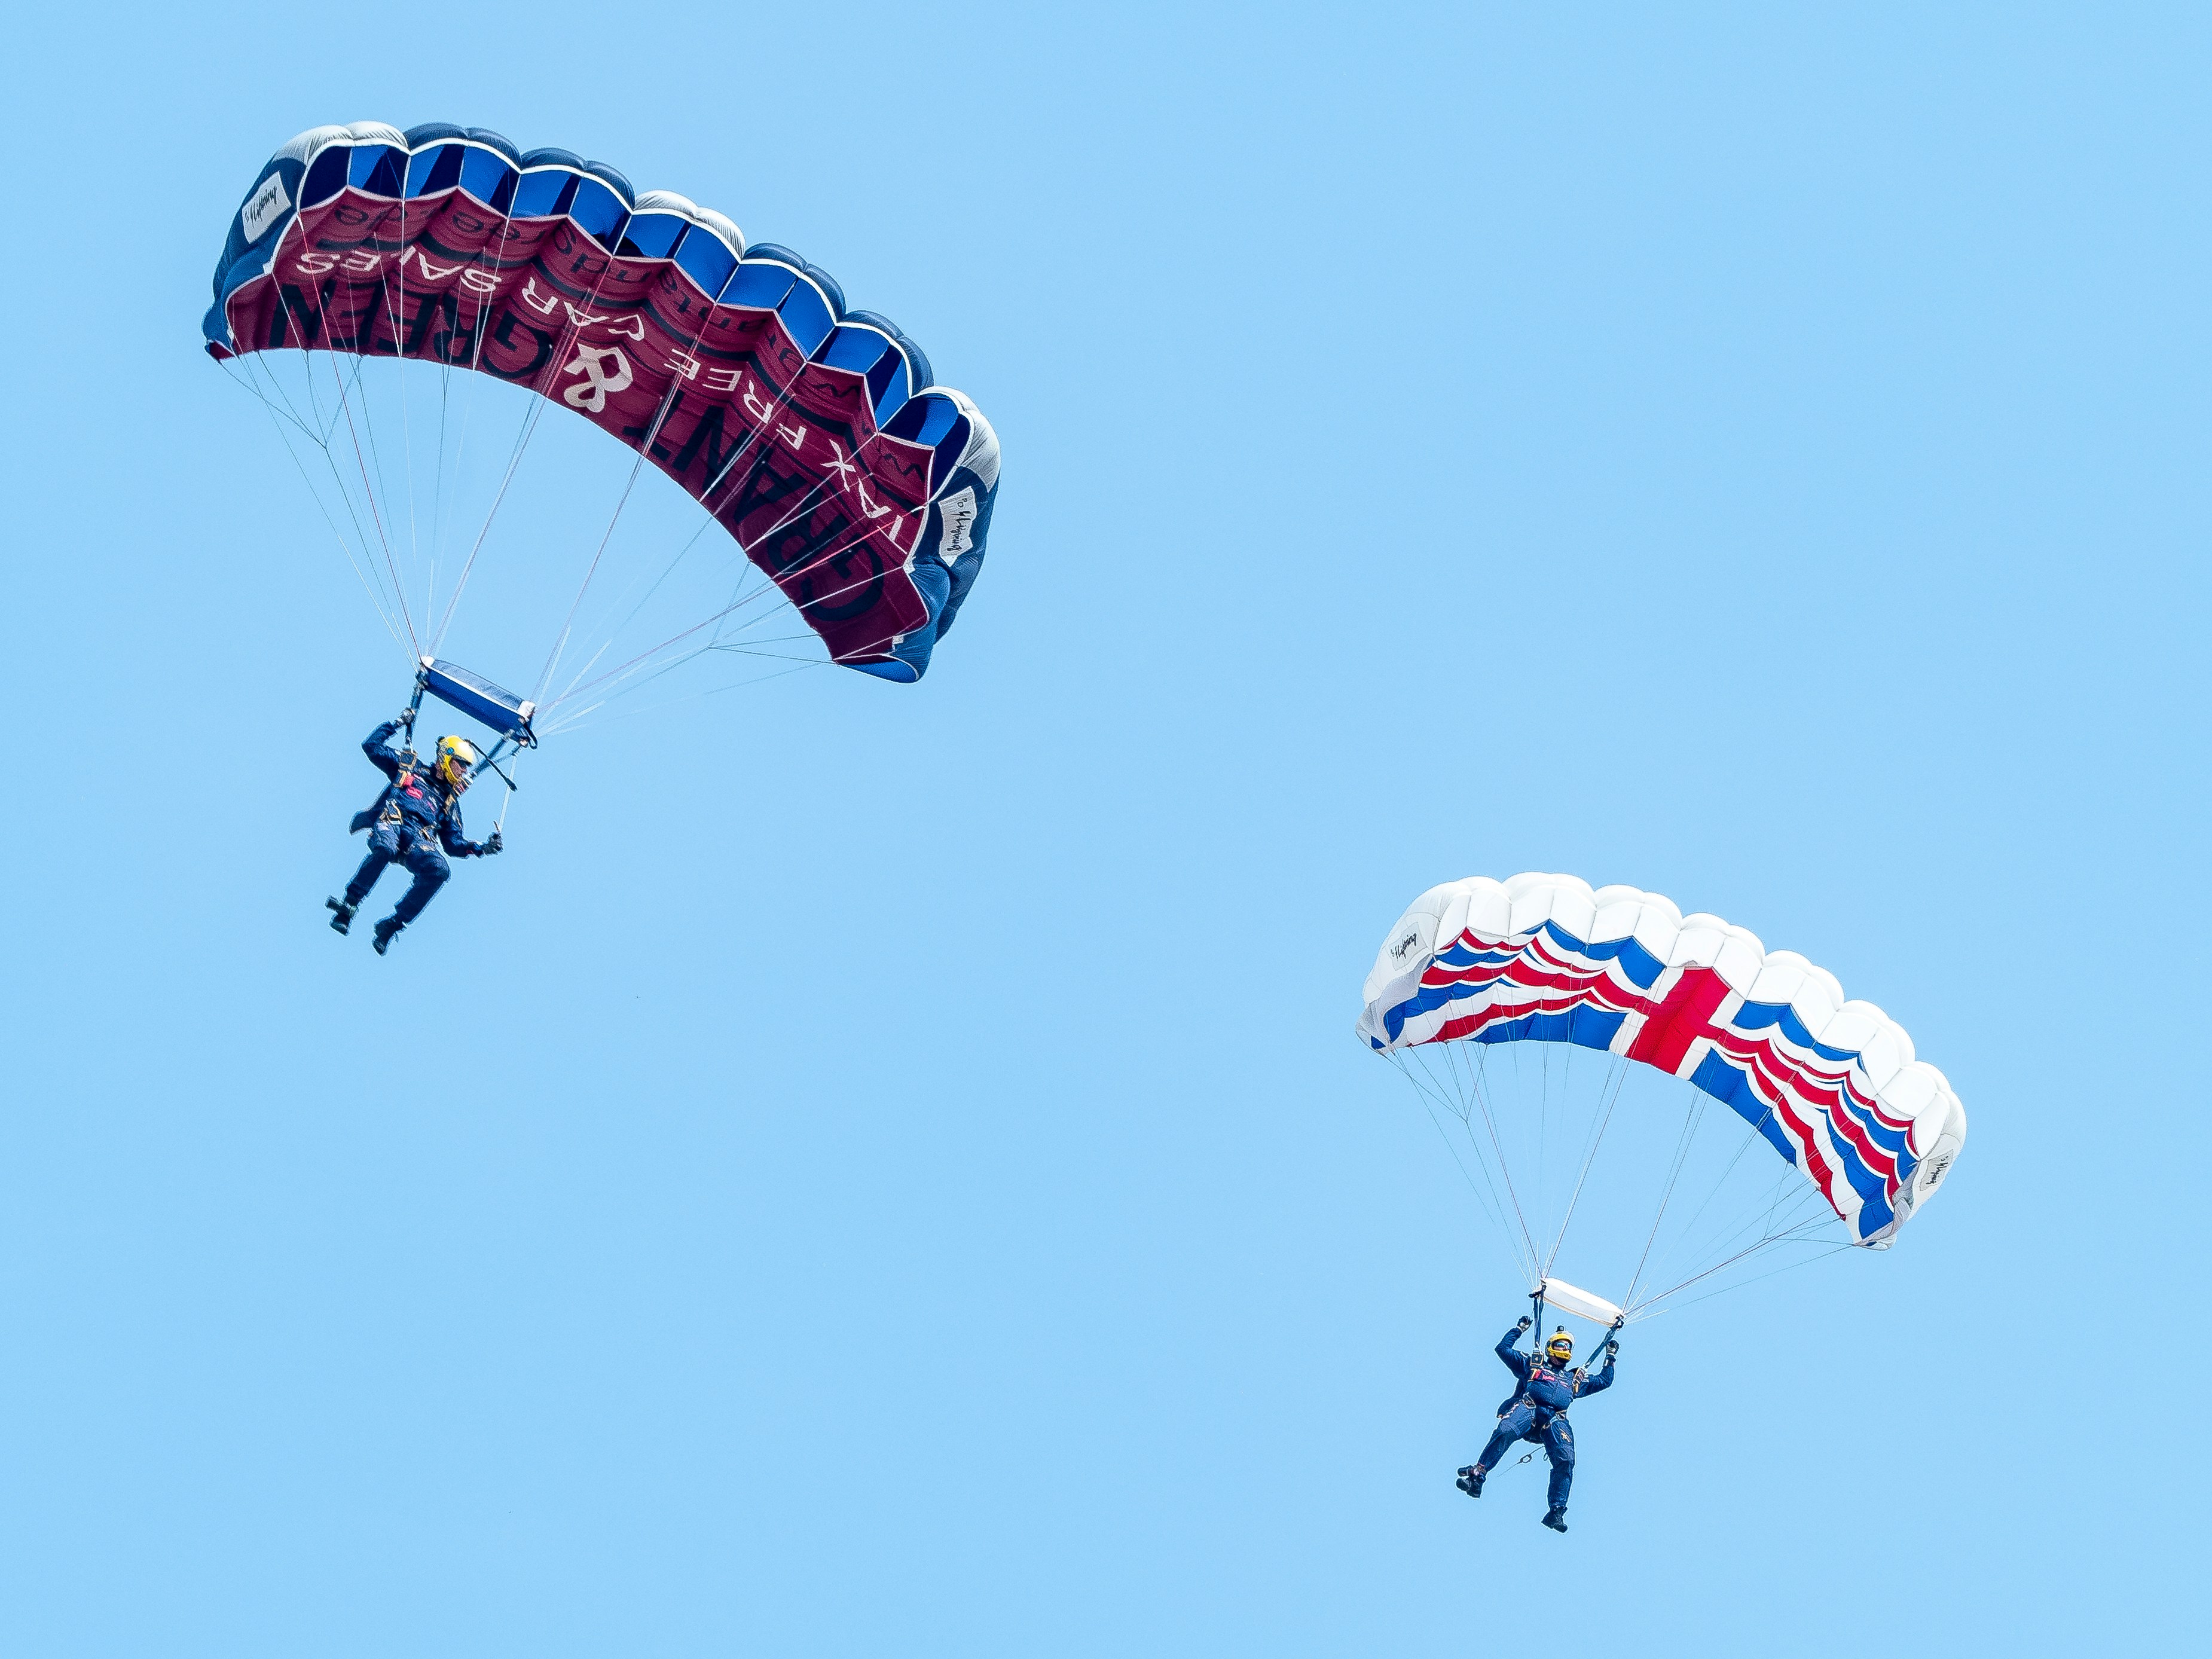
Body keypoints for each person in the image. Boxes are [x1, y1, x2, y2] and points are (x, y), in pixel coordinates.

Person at [326, 713, 500, 954]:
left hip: (418, 840)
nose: (464, 772)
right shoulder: (410, 767)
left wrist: (482, 847)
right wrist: (397, 723)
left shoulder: (449, 802)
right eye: (462, 764)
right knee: (385, 849)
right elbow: (371, 747)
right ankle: (349, 904)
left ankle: (392, 925)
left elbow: (453, 844)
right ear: (447, 758)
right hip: (393, 822)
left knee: (441, 870)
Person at [1455, 1315, 1618, 1532]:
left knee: (1567, 1461)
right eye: (1561, 1345)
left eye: (1568, 1346)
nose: (1565, 1349)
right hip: (1528, 1409)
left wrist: (1610, 1356)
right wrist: (1519, 1329)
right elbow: (1502, 1349)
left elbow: (1605, 1381)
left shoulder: (1574, 1379)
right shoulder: (1533, 1366)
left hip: (1554, 1421)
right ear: (1551, 1348)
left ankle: (1556, 1512)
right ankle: (1478, 1474)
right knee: (1506, 1430)